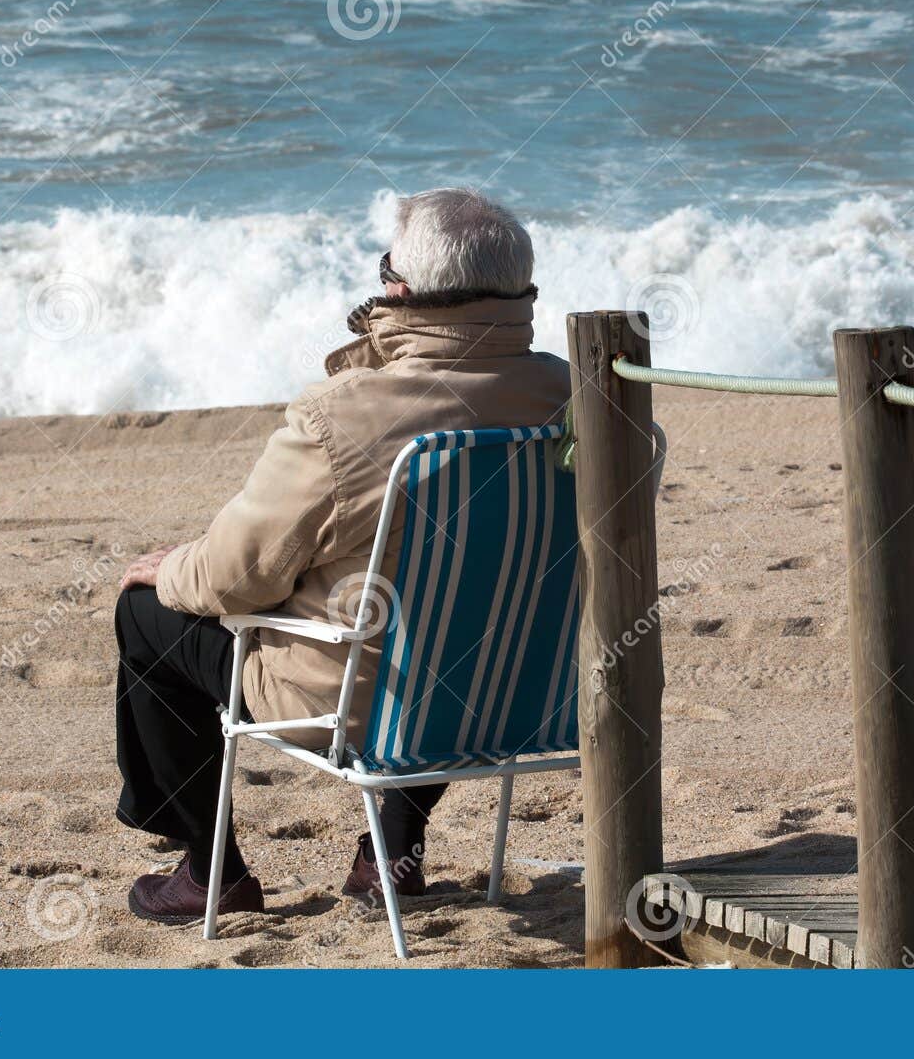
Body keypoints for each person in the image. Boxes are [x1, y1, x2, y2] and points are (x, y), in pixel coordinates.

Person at [113, 188, 572, 923]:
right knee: (460, 606)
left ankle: (211, 871)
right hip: (522, 691)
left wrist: (169, 568)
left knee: (145, 613)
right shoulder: (577, 397)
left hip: (361, 713)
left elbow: (235, 575)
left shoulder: (344, 415)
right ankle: (391, 849)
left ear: (399, 290)